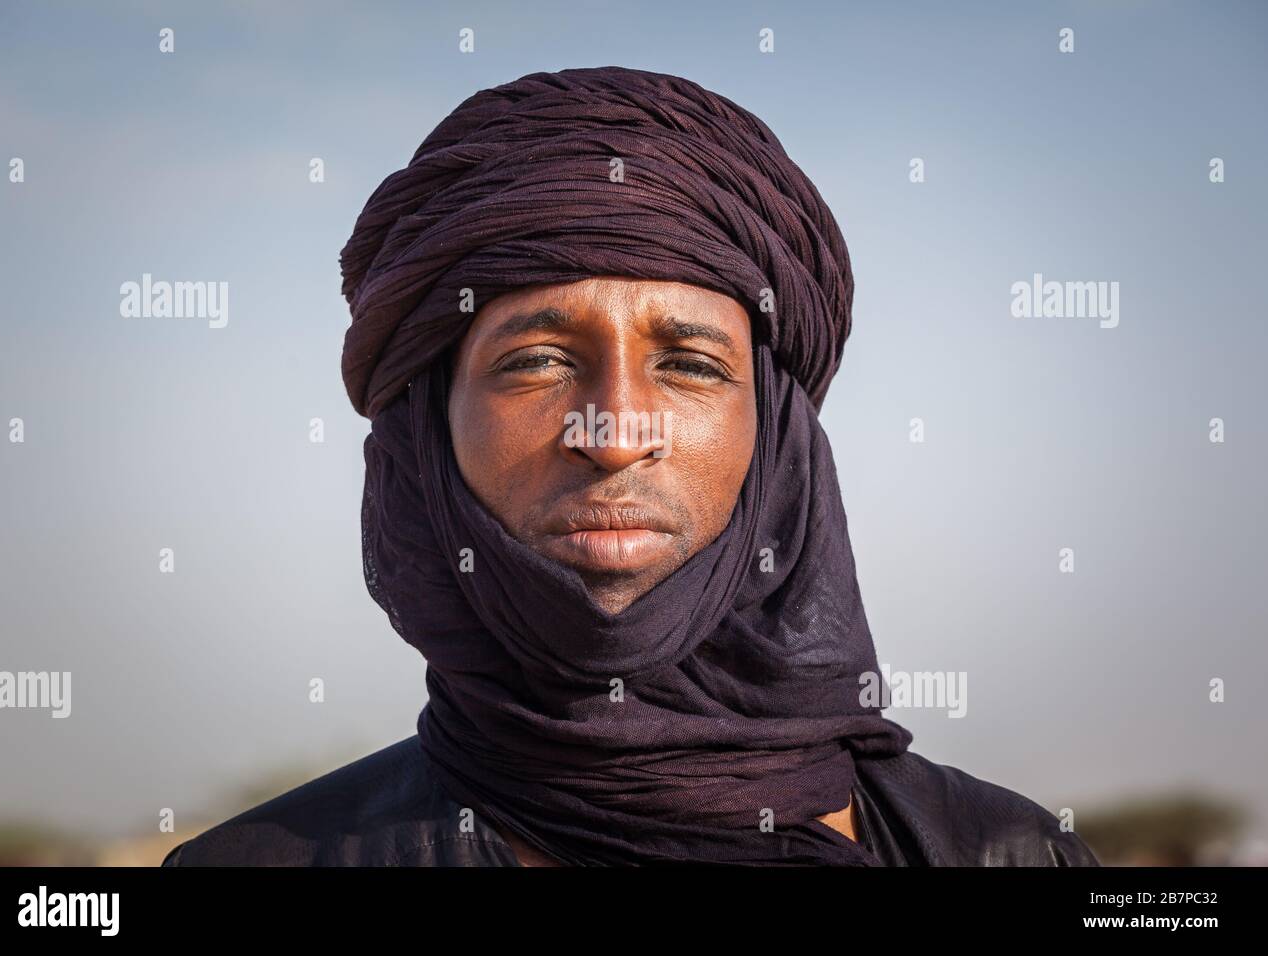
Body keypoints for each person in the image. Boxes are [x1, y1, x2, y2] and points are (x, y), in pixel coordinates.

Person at [163, 66, 1098, 867]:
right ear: (427, 429)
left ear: (775, 436)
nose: (611, 434)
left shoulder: (1012, 853)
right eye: (534, 362)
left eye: (690, 365)